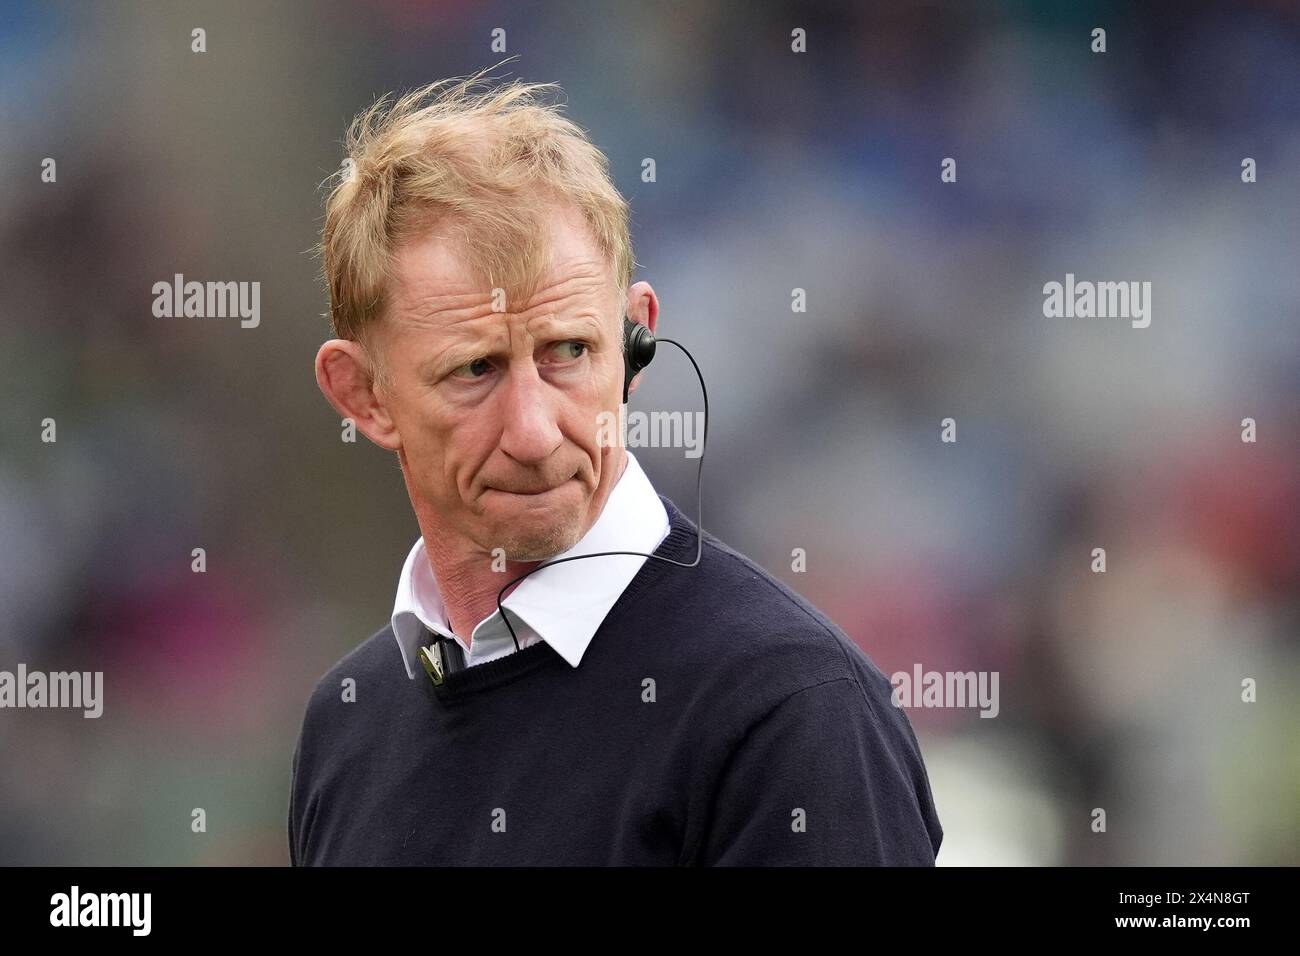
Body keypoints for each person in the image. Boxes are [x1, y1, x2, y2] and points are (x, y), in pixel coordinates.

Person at [290, 68, 943, 865]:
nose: (534, 434)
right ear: (362, 395)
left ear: (636, 341)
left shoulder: (790, 711)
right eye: (475, 370)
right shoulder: (345, 728)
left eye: (569, 352)